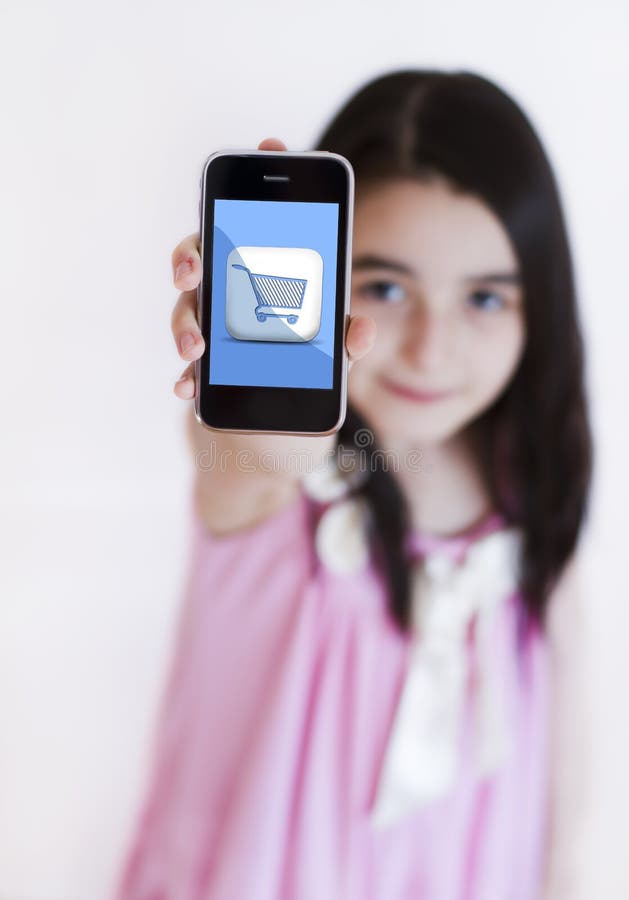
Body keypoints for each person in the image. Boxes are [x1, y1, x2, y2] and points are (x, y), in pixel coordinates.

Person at [115, 70, 593, 899]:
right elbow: (257, 457)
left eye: (483, 298)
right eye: (385, 288)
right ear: (326, 287)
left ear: (538, 309)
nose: (430, 349)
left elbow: (568, 731)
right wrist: (263, 409)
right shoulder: (276, 498)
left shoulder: (527, 485)